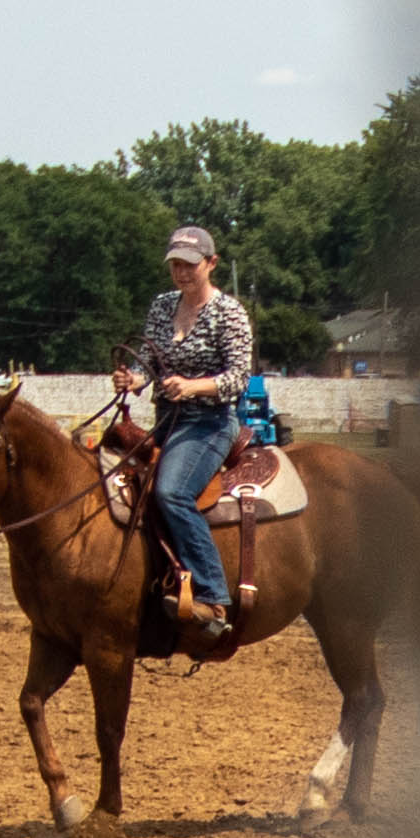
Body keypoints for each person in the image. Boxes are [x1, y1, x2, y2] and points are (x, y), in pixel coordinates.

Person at [124, 225, 254, 642]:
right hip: (167, 422)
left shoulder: (229, 313)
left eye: (189, 265)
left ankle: (214, 595)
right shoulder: (162, 307)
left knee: (172, 492)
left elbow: (238, 378)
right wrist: (133, 379)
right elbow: (149, 360)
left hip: (210, 424)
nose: (181, 272)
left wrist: (193, 386)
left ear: (211, 264)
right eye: (175, 264)